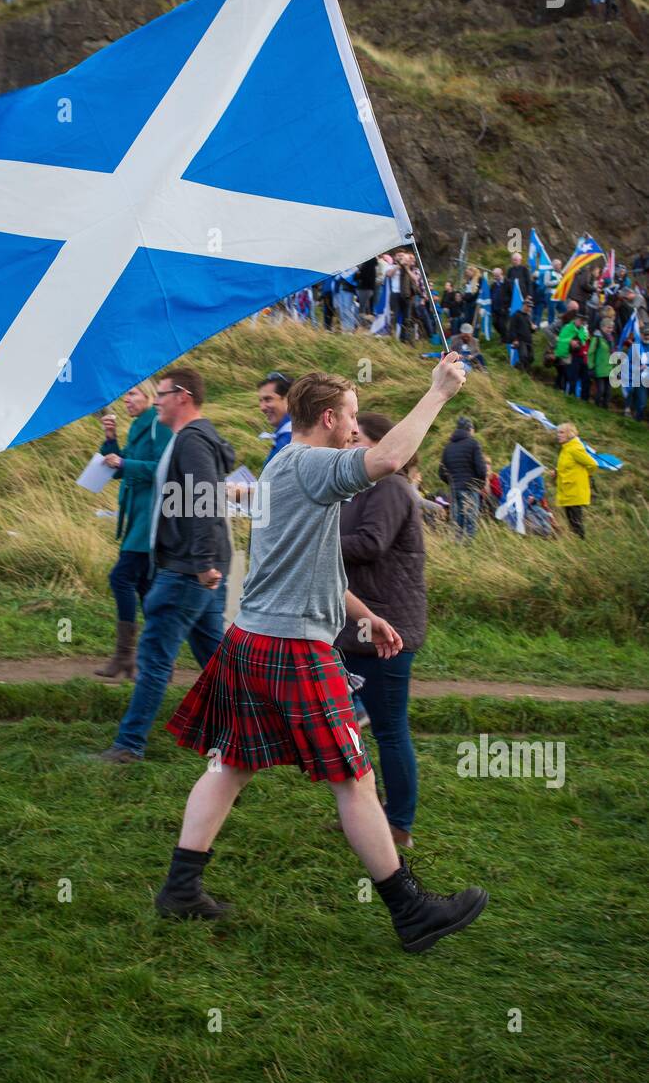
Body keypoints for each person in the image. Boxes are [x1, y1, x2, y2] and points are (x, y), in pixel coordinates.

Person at [154, 356, 488, 954]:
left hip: (250, 638)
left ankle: (181, 888)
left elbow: (308, 563)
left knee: (230, 763)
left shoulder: (284, 462)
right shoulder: (312, 465)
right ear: (330, 419)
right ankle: (411, 911)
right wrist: (438, 391)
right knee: (356, 778)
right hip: (292, 649)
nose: (357, 429)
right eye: (353, 418)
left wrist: (365, 615)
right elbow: (389, 461)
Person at [101, 368, 235, 763]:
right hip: (196, 566)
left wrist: (203, 562)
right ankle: (253, 729)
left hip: (187, 569)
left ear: (182, 396)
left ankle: (129, 745)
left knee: (155, 655)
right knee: (217, 660)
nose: (154, 401)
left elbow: (205, 501)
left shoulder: (192, 442)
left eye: (160, 394)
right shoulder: (188, 438)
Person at [336, 413, 427, 849]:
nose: (349, 445)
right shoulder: (360, 488)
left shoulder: (390, 488)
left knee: (390, 729)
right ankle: (368, 814)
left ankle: (399, 825)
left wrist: (311, 541)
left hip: (387, 630)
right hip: (359, 626)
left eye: (358, 439)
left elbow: (372, 543)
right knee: (353, 730)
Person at [94, 381, 173, 679]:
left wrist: (125, 462)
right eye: (125, 393)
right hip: (137, 515)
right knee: (144, 588)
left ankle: (127, 656)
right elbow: (117, 469)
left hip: (150, 516)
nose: (126, 398)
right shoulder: (141, 424)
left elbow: (163, 467)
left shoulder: (158, 424)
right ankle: (150, 657)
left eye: (132, 393)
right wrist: (110, 440)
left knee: (122, 577)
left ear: (150, 397)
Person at [438, 415, 486, 539]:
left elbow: (441, 472)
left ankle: (457, 550)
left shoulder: (447, 448)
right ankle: (468, 550)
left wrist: (452, 482)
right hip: (470, 488)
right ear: (469, 429)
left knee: (457, 522)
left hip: (455, 489)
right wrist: (480, 484)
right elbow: (481, 469)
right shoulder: (473, 444)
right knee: (470, 521)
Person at [552, 423, 597, 538]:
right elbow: (568, 466)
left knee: (576, 522)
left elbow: (592, 464)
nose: (558, 435)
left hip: (575, 490)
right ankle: (576, 542)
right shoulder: (566, 448)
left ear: (569, 434)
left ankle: (581, 543)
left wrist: (585, 476)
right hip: (568, 490)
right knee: (572, 522)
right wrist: (557, 471)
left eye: (561, 432)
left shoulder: (575, 449)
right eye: (558, 432)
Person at [257, 371, 293, 464]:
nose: (262, 407)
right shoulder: (290, 432)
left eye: (268, 399)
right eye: (260, 401)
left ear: (288, 399)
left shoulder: (290, 438)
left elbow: (272, 478)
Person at [588, 313, 615, 408]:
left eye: (611, 328)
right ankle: (596, 407)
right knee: (600, 390)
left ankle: (605, 409)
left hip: (609, 369)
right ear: (602, 327)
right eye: (608, 327)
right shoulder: (597, 338)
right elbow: (591, 353)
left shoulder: (611, 339)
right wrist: (591, 367)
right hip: (599, 369)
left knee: (608, 392)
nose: (610, 330)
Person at [509, 299, 534, 370]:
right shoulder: (516, 315)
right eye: (528, 306)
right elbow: (512, 328)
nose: (530, 308)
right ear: (524, 305)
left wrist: (533, 328)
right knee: (523, 356)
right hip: (520, 340)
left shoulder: (528, 317)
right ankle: (521, 371)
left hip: (529, 340)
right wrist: (515, 339)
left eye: (531, 307)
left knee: (531, 357)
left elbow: (530, 330)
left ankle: (521, 368)